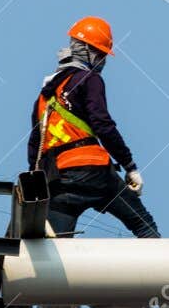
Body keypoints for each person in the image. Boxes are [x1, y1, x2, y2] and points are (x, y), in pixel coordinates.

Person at [28, 16, 159, 238]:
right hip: (95, 173)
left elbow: (34, 147)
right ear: (90, 53)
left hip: (60, 182)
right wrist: (130, 166)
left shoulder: (44, 96)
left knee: (54, 249)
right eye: (101, 55)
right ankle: (164, 269)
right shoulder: (89, 79)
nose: (103, 61)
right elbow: (103, 125)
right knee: (144, 226)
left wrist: (39, 187)